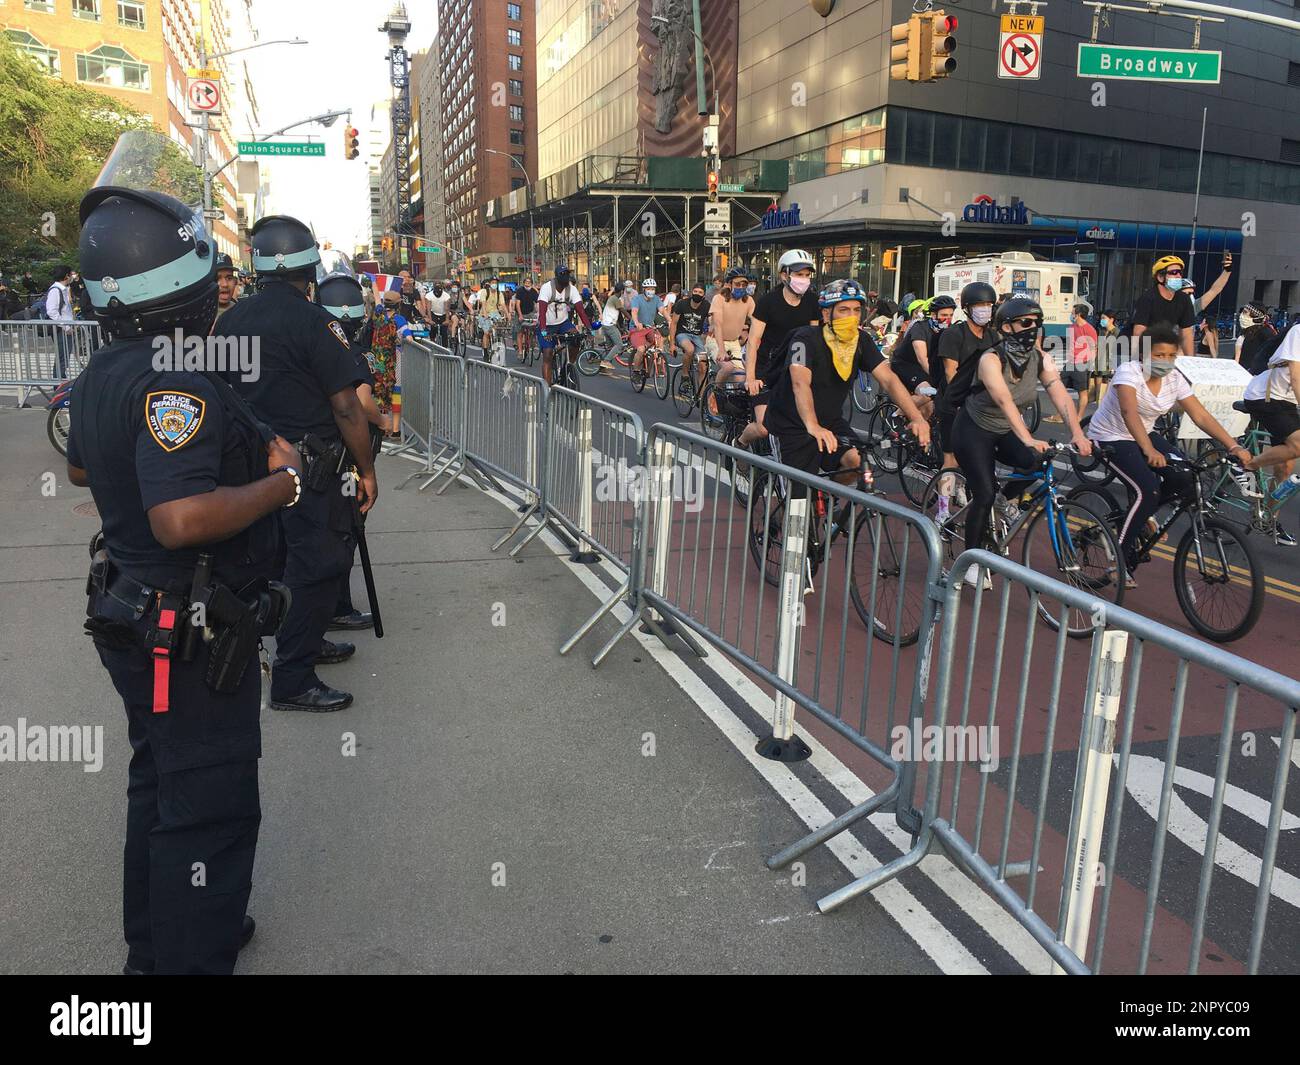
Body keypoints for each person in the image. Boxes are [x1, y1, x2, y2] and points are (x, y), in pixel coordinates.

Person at [69, 166, 300, 974]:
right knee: (209, 807)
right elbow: (181, 519)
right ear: (188, 292)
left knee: (158, 786)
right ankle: (188, 954)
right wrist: (284, 482)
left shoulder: (105, 371)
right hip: (184, 630)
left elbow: (78, 470)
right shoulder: (173, 381)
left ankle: (155, 948)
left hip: (134, 614)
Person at [213, 214, 378, 714]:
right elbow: (347, 406)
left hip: (252, 474)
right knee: (318, 567)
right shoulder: (315, 321)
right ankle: (292, 678)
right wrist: (367, 470)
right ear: (309, 271)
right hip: (310, 472)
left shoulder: (230, 321)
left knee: (278, 564)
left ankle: (304, 645)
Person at [1087, 323, 1256, 581]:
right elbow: (1128, 412)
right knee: (1148, 490)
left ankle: (1143, 515)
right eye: (1159, 355)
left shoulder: (1175, 378)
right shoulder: (1129, 373)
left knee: (1186, 478)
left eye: (1171, 356)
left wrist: (1232, 445)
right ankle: (1118, 562)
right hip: (1111, 437)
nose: (1166, 361)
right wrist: (1148, 449)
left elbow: (1199, 414)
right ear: (1144, 354)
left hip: (1145, 434)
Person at [951, 297, 1093, 587]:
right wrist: (1027, 437)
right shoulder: (991, 358)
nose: (1033, 329)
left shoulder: (1040, 359)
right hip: (973, 430)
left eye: (1037, 323)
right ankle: (970, 561)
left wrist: (1077, 432)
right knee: (984, 493)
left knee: (1035, 461)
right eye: (1026, 323)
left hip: (1005, 430)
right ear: (1006, 326)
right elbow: (1004, 401)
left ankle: (1006, 498)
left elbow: (1060, 394)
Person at [763, 278, 929, 509]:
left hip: (830, 421)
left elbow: (888, 379)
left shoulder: (860, 340)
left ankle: (826, 496)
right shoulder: (804, 339)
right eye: (843, 310)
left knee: (857, 462)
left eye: (856, 310)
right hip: (791, 425)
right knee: (797, 506)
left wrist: (917, 418)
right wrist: (813, 425)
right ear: (826, 314)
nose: (851, 316)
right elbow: (800, 383)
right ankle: (786, 529)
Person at [316, 270, 387, 629]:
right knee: (347, 531)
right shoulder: (359, 355)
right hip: (349, 458)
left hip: (318, 454)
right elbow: (361, 401)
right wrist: (386, 421)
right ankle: (337, 607)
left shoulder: (312, 347)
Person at [930, 281, 1001, 522]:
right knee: (950, 458)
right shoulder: (953, 334)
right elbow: (951, 373)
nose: (985, 309)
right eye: (980, 304)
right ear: (968, 308)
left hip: (983, 407)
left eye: (989, 304)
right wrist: (962, 402)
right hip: (954, 404)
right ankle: (942, 511)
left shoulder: (993, 336)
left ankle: (969, 490)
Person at [741, 249, 820, 447]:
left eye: (806, 275)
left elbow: (815, 338)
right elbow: (753, 341)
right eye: (798, 274)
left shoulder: (812, 301)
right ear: (784, 275)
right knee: (763, 428)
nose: (803, 279)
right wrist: (751, 378)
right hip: (766, 370)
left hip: (796, 369)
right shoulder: (768, 302)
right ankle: (739, 442)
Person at [1240, 323, 1300, 546]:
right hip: (1264, 397)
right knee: (1298, 445)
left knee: (1285, 466)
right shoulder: (1298, 332)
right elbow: (1296, 377)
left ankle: (1268, 519)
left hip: (1287, 403)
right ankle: (1248, 466)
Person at [1131, 253, 1231, 357]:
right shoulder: (1148, 299)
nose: (1178, 275)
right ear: (1160, 277)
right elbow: (1139, 332)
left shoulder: (1188, 303)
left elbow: (1214, 291)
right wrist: (1140, 358)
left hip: (1176, 355)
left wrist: (1227, 271)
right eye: (1174, 272)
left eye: (1180, 272)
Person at [890, 294, 955, 420]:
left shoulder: (948, 330)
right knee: (928, 392)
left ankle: (915, 436)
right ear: (933, 315)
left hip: (925, 368)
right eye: (944, 315)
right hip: (905, 365)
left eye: (950, 315)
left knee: (929, 408)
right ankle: (896, 415)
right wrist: (937, 380)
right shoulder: (920, 328)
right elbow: (922, 358)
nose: (948, 319)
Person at [536, 263, 590, 385]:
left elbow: (580, 310)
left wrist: (589, 328)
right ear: (557, 277)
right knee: (548, 353)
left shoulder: (572, 289)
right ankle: (547, 387)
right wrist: (544, 331)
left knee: (576, 337)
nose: (566, 277)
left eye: (568, 274)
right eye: (563, 274)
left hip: (563, 323)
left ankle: (569, 365)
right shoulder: (547, 288)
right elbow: (542, 312)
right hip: (547, 325)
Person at [369, 290, 414, 434]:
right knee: (396, 392)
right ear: (398, 304)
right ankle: (395, 429)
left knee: (380, 391)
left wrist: (375, 283)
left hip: (378, 360)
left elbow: (376, 301)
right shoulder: (399, 320)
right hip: (395, 360)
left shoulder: (377, 316)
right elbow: (409, 338)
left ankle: (381, 426)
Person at [1055, 302, 1098, 424]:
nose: (1071, 314)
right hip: (1069, 362)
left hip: (1082, 363)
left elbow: (1093, 348)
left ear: (1078, 314)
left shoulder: (1090, 329)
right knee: (1058, 388)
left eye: (1073, 313)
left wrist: (1090, 364)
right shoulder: (1071, 327)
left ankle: (1079, 417)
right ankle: (1060, 415)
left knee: (1082, 392)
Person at [711, 267, 755, 386]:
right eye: (737, 284)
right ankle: (715, 395)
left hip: (734, 342)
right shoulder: (719, 298)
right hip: (715, 340)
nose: (741, 287)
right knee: (727, 368)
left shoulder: (749, 300)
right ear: (729, 284)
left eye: (744, 284)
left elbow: (757, 321)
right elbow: (718, 325)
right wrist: (721, 350)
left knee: (740, 379)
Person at [670, 282, 711, 391]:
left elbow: (712, 321)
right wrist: (672, 344)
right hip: (682, 334)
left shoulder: (706, 305)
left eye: (700, 292)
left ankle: (701, 398)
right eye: (695, 291)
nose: (697, 294)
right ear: (692, 292)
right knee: (690, 349)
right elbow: (673, 323)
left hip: (697, 336)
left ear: (704, 295)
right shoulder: (682, 304)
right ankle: (685, 376)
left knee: (703, 365)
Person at [628, 277, 664, 377]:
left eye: (653, 289)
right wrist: (637, 322)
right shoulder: (637, 299)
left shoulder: (657, 299)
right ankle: (635, 372)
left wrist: (669, 320)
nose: (651, 291)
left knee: (659, 341)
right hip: (637, 329)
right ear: (644, 289)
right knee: (640, 349)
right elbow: (634, 311)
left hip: (649, 328)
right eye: (648, 288)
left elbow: (662, 310)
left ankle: (659, 365)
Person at [1235, 303, 1276, 374]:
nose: (1241, 315)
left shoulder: (1265, 332)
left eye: (1245, 312)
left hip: (1254, 375)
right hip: (1241, 372)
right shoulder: (1246, 332)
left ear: (1255, 316)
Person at [476, 275, 505, 355]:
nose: (494, 284)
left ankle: (496, 340)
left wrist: (507, 314)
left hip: (495, 314)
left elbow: (503, 305)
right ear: (490, 283)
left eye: (496, 283)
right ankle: (485, 351)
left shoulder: (499, 293)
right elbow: (483, 303)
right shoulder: (485, 292)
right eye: (493, 282)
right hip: (484, 314)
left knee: (497, 329)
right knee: (487, 333)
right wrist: (485, 313)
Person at [512, 275, 539, 355]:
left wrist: (538, 313)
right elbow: (517, 304)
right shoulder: (520, 291)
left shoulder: (533, 292)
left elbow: (537, 303)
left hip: (530, 313)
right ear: (524, 283)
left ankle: (532, 340)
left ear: (531, 284)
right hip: (520, 313)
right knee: (520, 332)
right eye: (526, 282)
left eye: (529, 282)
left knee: (534, 326)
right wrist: (520, 315)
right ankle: (520, 351)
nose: (527, 284)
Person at [426, 279, 453, 345]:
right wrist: (430, 320)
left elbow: (447, 309)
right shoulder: (429, 295)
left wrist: (447, 320)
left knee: (444, 332)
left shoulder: (446, 296)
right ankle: (432, 344)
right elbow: (428, 309)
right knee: (433, 329)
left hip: (443, 314)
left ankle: (445, 347)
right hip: (433, 313)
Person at [214, 253, 239, 321]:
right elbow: (181, 331)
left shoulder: (241, 311)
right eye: (217, 279)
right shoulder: (194, 314)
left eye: (229, 278)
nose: (225, 284)